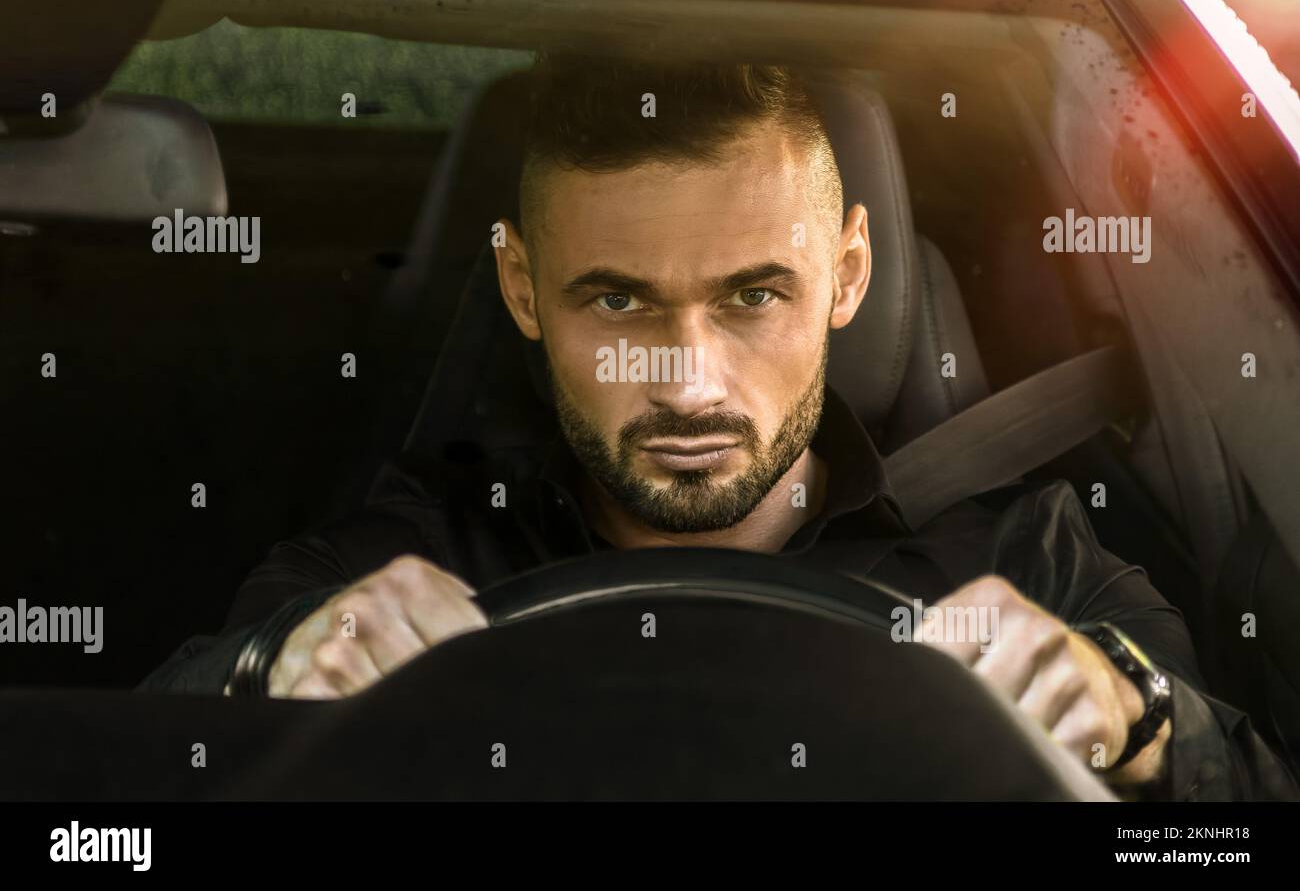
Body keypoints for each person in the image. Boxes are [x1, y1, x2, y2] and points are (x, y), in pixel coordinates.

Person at [141, 55, 1297, 801]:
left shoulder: (1032, 559)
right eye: (616, 298)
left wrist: (1138, 715)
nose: (689, 384)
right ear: (521, 286)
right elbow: (102, 803)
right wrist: (265, 677)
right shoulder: (397, 563)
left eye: (753, 295)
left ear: (847, 273)